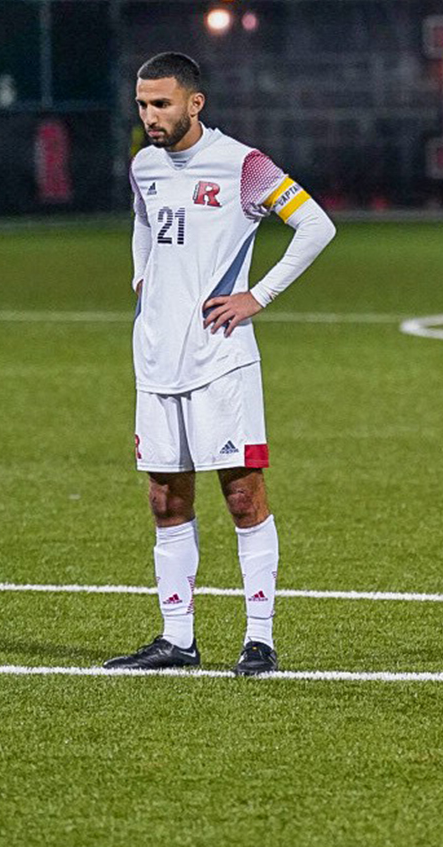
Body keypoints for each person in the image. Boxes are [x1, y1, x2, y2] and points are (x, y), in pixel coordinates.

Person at [103, 51, 337, 677]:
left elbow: (316, 226)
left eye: (162, 104)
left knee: (241, 495)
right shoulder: (144, 166)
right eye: (143, 105)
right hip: (156, 360)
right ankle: (177, 639)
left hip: (219, 362)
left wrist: (257, 296)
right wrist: (141, 275)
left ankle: (258, 639)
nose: (151, 116)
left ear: (194, 103)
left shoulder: (243, 165)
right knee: (164, 498)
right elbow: (143, 222)